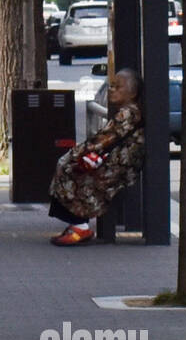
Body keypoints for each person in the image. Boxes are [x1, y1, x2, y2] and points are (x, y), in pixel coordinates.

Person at [47, 69, 144, 245]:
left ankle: (80, 225)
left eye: (118, 87)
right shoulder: (129, 112)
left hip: (118, 166)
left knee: (68, 167)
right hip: (119, 161)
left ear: (133, 92)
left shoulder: (127, 114)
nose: (112, 89)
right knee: (68, 164)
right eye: (111, 85)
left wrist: (76, 153)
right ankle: (78, 223)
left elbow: (103, 140)